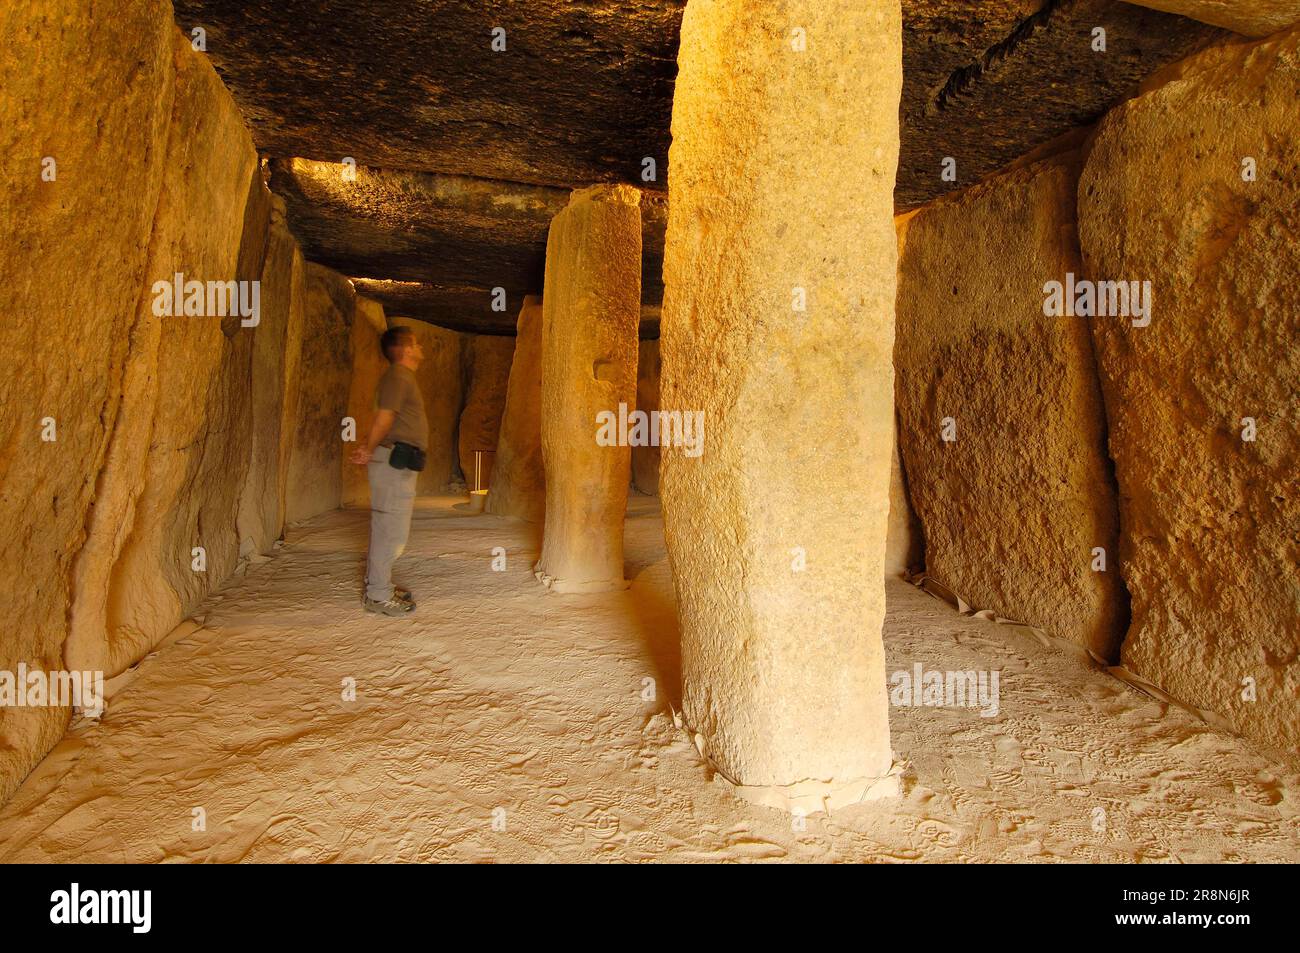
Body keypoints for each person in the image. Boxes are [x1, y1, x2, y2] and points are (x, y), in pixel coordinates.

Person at [349, 326, 428, 615]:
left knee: (391, 527)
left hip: (400, 460)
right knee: (390, 529)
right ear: (406, 349)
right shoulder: (398, 375)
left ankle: (379, 584)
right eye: (417, 344)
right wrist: (368, 448)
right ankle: (378, 596)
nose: (421, 349)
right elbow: (385, 416)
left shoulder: (401, 377)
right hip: (394, 459)